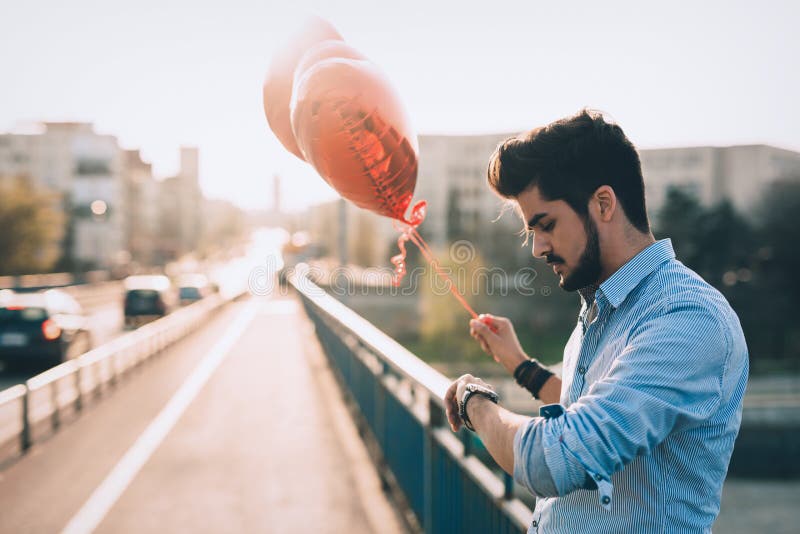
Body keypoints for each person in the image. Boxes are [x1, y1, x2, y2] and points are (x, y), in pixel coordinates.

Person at [444, 109, 749, 533]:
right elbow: (594, 404)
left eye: (546, 225)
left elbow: (557, 458)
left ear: (603, 204)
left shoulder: (689, 318)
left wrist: (474, 404)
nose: (538, 248)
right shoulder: (603, 306)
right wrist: (519, 364)